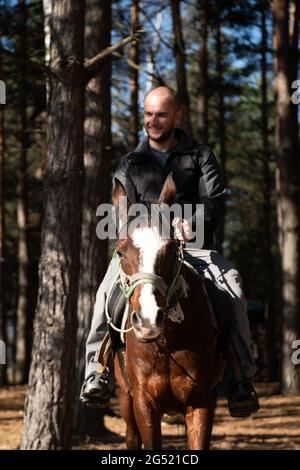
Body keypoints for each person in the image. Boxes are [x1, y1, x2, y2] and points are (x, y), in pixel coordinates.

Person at [80, 86, 259, 418]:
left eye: (161, 114)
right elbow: (120, 213)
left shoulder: (201, 155)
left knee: (232, 284)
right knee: (105, 292)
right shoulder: (129, 163)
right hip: (144, 253)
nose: (153, 121)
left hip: (193, 249)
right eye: (148, 114)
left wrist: (190, 223)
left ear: (177, 115)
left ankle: (240, 378)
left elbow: (215, 201)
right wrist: (143, 231)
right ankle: (96, 373)